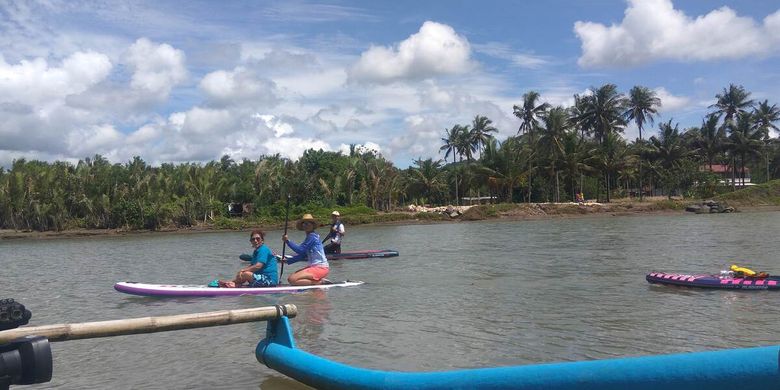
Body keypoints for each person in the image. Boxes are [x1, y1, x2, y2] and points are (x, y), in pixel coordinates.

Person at [281, 213, 330, 286]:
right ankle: (315, 283)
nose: (305, 225)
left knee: (292, 280)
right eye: (304, 223)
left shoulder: (312, 237)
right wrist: (288, 261)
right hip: (314, 267)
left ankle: (320, 282)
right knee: (290, 279)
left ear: (312, 225)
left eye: (308, 223)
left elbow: (300, 250)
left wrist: (288, 241)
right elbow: (303, 255)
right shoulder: (309, 237)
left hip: (321, 268)